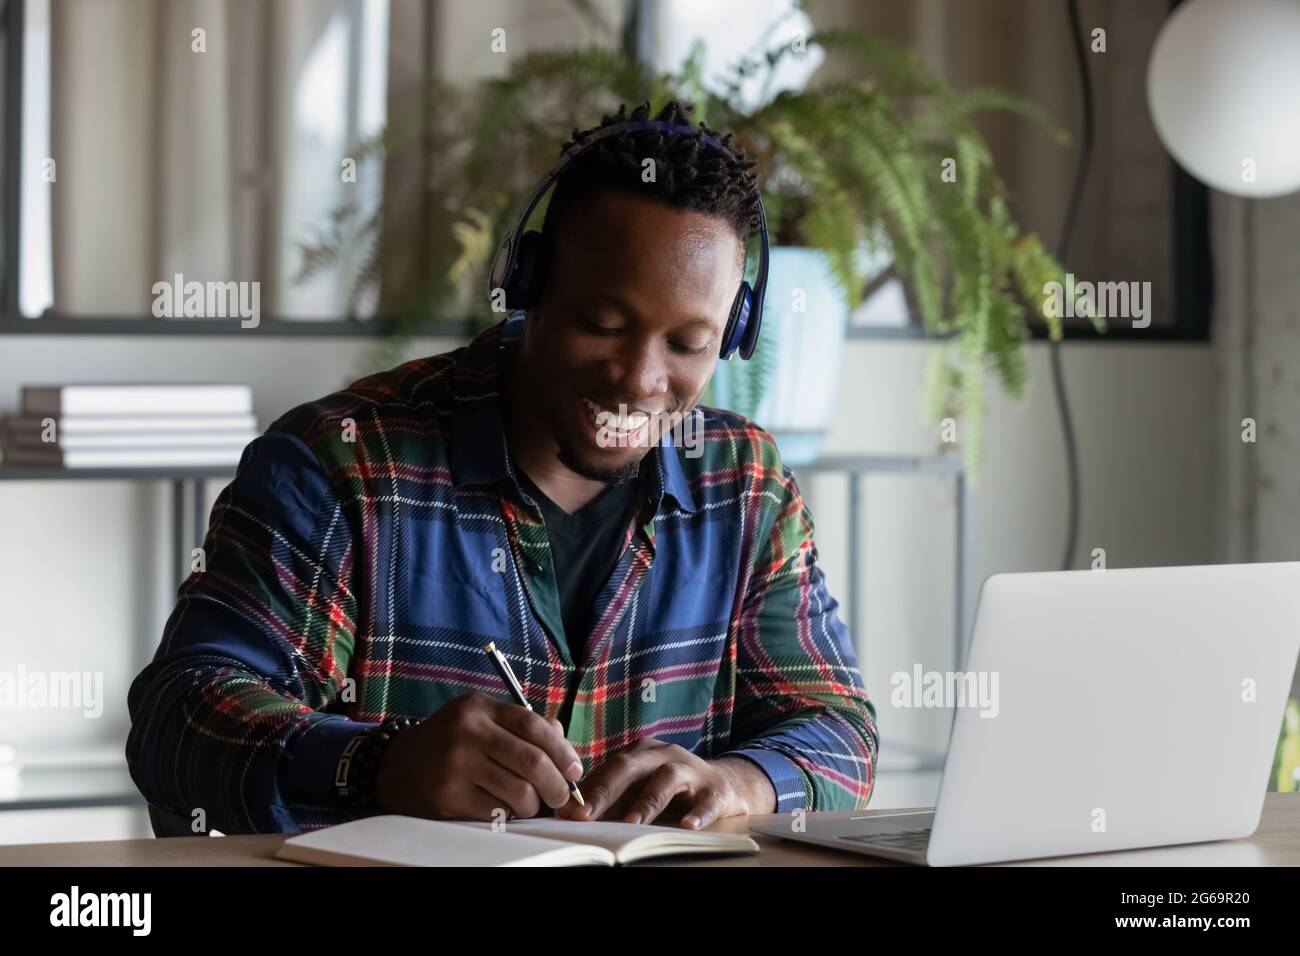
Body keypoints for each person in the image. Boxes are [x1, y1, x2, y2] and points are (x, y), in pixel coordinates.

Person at [126, 100, 878, 834]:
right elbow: (181, 718)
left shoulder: (744, 484)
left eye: (687, 344)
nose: (640, 380)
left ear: (734, 333)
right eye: (602, 325)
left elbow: (839, 731)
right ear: (528, 284)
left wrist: (738, 784)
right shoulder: (341, 465)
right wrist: (376, 765)